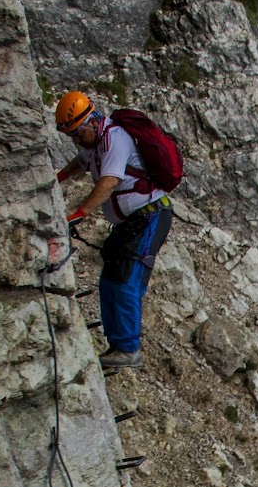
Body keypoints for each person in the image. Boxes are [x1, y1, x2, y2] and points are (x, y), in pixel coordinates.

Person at [54, 92, 174, 372]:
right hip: (133, 222)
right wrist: (57, 178)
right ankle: (117, 344)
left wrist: (79, 214)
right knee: (110, 279)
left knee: (125, 280)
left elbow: (108, 182)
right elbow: (80, 163)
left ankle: (128, 348)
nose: (76, 140)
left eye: (77, 133)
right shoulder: (93, 144)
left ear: (92, 121)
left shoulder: (115, 139)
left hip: (150, 216)